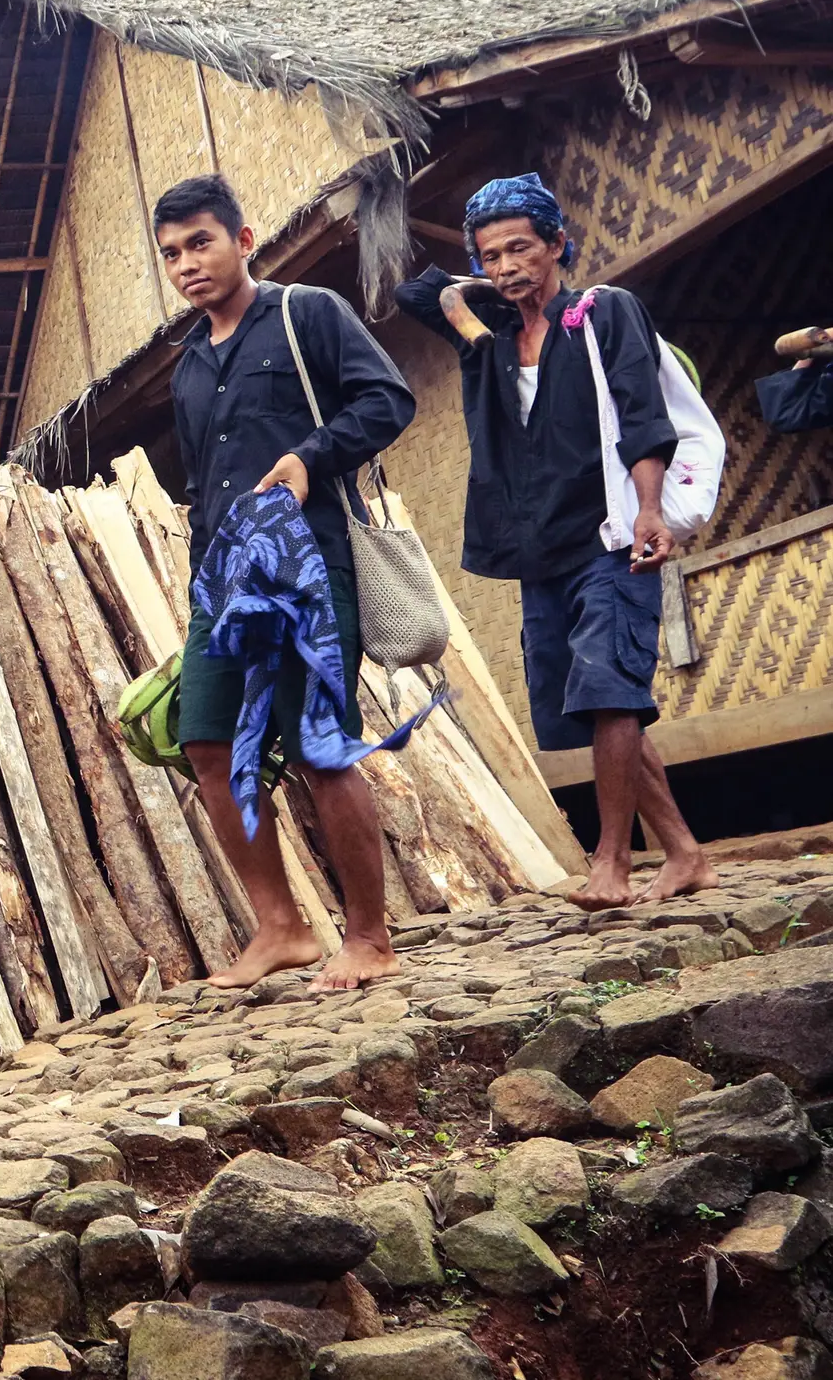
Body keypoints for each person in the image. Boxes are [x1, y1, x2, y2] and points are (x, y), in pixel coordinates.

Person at [396, 173, 716, 909]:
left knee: (611, 689)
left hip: (612, 533)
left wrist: (648, 510)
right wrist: (475, 281)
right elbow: (419, 295)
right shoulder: (497, 338)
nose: (507, 267)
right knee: (599, 700)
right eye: (491, 256)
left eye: (521, 249)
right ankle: (687, 853)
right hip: (541, 550)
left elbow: (641, 413)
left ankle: (612, 861)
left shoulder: (603, 313)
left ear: (558, 245)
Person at [151, 174, 414, 991]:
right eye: (171, 253)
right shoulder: (188, 366)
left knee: (317, 746)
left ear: (243, 237)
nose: (188, 263)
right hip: (223, 584)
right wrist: (200, 584)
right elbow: (203, 487)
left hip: (308, 567)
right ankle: (282, 928)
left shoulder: (307, 315)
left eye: (201, 242)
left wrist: (310, 456)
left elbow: (389, 400)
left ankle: (368, 937)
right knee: (204, 739)